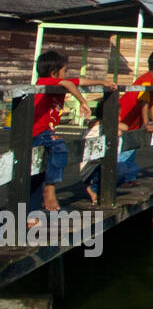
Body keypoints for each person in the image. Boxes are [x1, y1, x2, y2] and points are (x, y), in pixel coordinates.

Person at [29, 51, 116, 227]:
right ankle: (50, 188)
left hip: (44, 132)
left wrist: (102, 82)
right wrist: (83, 101)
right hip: (38, 132)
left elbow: (79, 81)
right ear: (54, 73)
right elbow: (69, 83)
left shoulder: (58, 82)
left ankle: (31, 217)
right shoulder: (44, 82)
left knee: (37, 174)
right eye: (65, 70)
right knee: (59, 146)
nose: (67, 74)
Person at [84, 49, 153, 204]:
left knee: (130, 149)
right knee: (121, 151)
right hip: (126, 118)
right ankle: (103, 182)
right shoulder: (146, 80)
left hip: (134, 121)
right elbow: (143, 103)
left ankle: (126, 178)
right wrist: (146, 123)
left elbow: (152, 103)